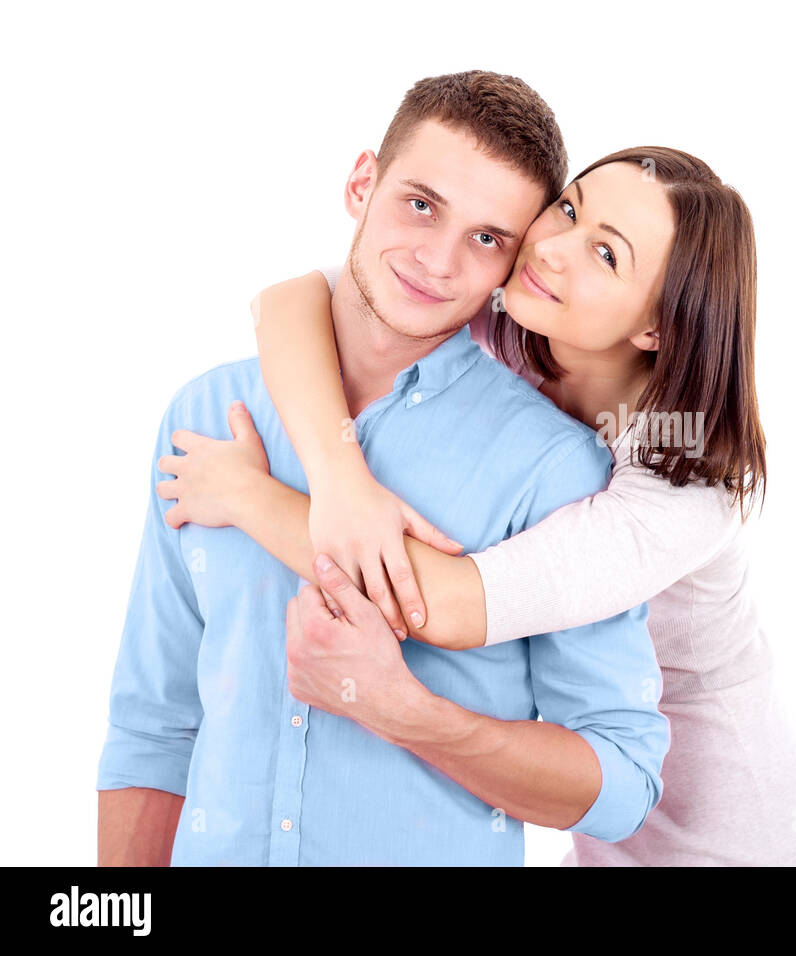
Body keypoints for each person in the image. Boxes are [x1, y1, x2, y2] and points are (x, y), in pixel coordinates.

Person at [165, 135, 796, 865]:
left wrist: (246, 496)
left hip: (732, 827)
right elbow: (291, 301)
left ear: (656, 326)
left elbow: (453, 605)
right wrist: (339, 476)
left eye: (607, 254)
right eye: (568, 210)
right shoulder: (517, 323)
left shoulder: (682, 489)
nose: (554, 248)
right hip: (587, 802)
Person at [96, 71, 670, 867]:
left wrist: (408, 710)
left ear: (513, 264)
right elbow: (153, 725)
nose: (436, 261)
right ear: (362, 182)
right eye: (421, 203)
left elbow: (619, 781)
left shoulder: (554, 469)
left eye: (486, 238)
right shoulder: (203, 417)